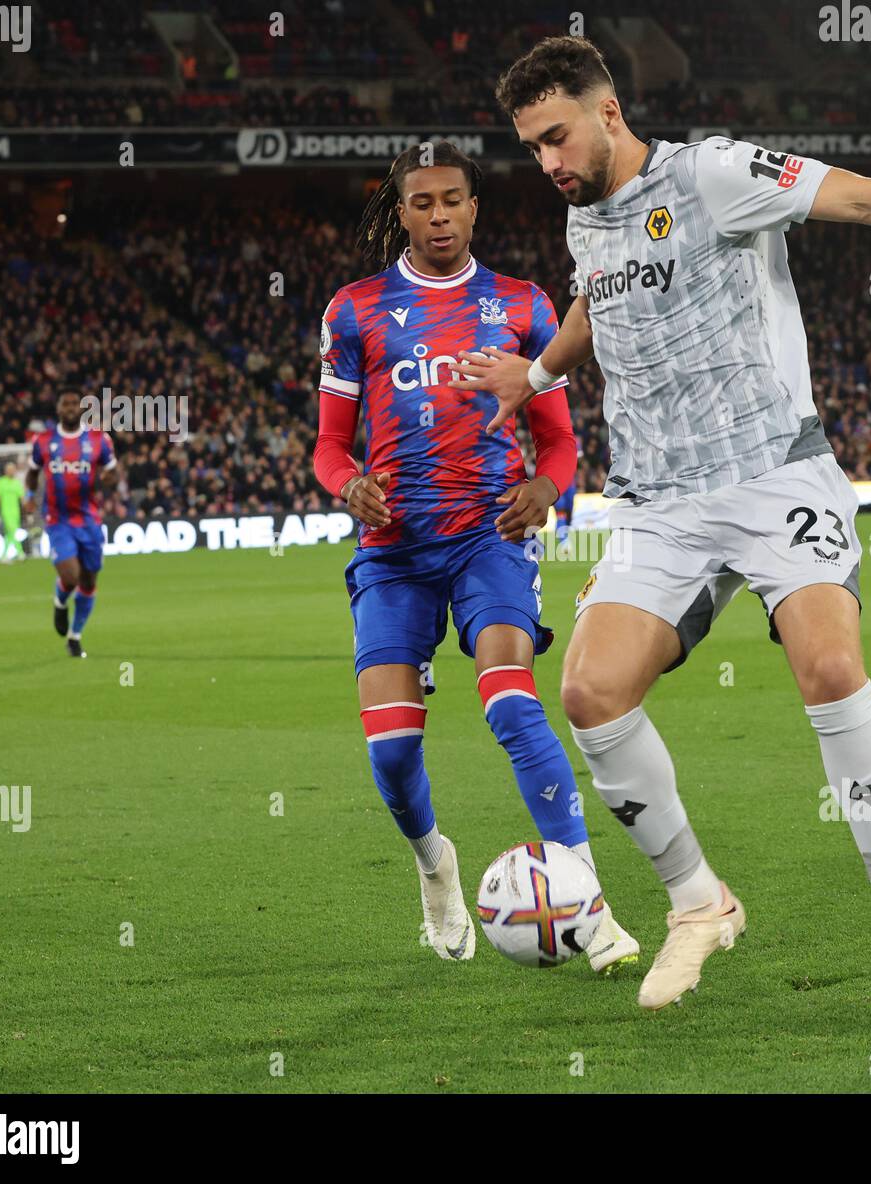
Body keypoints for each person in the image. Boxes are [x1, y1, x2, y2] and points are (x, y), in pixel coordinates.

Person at [451, 35, 871, 1011]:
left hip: (772, 471)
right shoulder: (583, 219)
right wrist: (541, 372)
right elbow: (598, 299)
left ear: (606, 112)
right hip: (655, 499)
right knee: (591, 693)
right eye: (530, 148)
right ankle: (698, 902)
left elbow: (862, 196)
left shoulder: (716, 174)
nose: (547, 163)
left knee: (829, 666)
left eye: (555, 137)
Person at [312, 140, 638, 972]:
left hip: (489, 540)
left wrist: (547, 489)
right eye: (421, 202)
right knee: (390, 752)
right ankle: (436, 867)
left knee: (511, 701)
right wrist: (348, 483)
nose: (439, 215)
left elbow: (561, 444)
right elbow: (326, 448)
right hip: (391, 554)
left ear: (474, 206)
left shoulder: (524, 306)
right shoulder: (354, 311)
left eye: (452, 199)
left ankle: (591, 907)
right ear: (402, 210)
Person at [25, 390, 118, 658]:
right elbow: (32, 473)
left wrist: (109, 479)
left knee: (88, 581)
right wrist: (30, 497)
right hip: (58, 521)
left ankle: (75, 637)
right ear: (58, 409)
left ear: (82, 409)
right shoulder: (43, 441)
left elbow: (113, 471)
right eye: (64, 403)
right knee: (70, 576)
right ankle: (60, 601)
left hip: (89, 521)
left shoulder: (99, 440)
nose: (69, 407)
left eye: (74, 403)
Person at [0, 461, 26, 563]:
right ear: (6, 471)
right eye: (10, 470)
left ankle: (4, 556)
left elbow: (22, 498)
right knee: (12, 531)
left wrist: (28, 512)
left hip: (16, 512)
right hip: (5, 511)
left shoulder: (17, 483)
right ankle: (20, 553)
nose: (12, 471)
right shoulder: (0, 482)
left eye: (13, 470)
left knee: (10, 534)